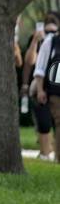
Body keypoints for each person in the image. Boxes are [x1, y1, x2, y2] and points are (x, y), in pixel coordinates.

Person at [25, 13, 59, 160]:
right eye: (48, 31)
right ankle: (47, 153)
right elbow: (30, 63)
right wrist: (35, 41)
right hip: (45, 88)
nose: (50, 34)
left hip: (52, 86)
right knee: (46, 123)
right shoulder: (47, 42)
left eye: (53, 31)